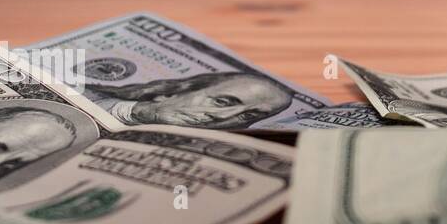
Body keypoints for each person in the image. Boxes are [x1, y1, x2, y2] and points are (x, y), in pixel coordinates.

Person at [84, 71, 292, 128]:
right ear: (171, 92)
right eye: (222, 102)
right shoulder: (78, 93)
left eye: (249, 115)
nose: (223, 117)